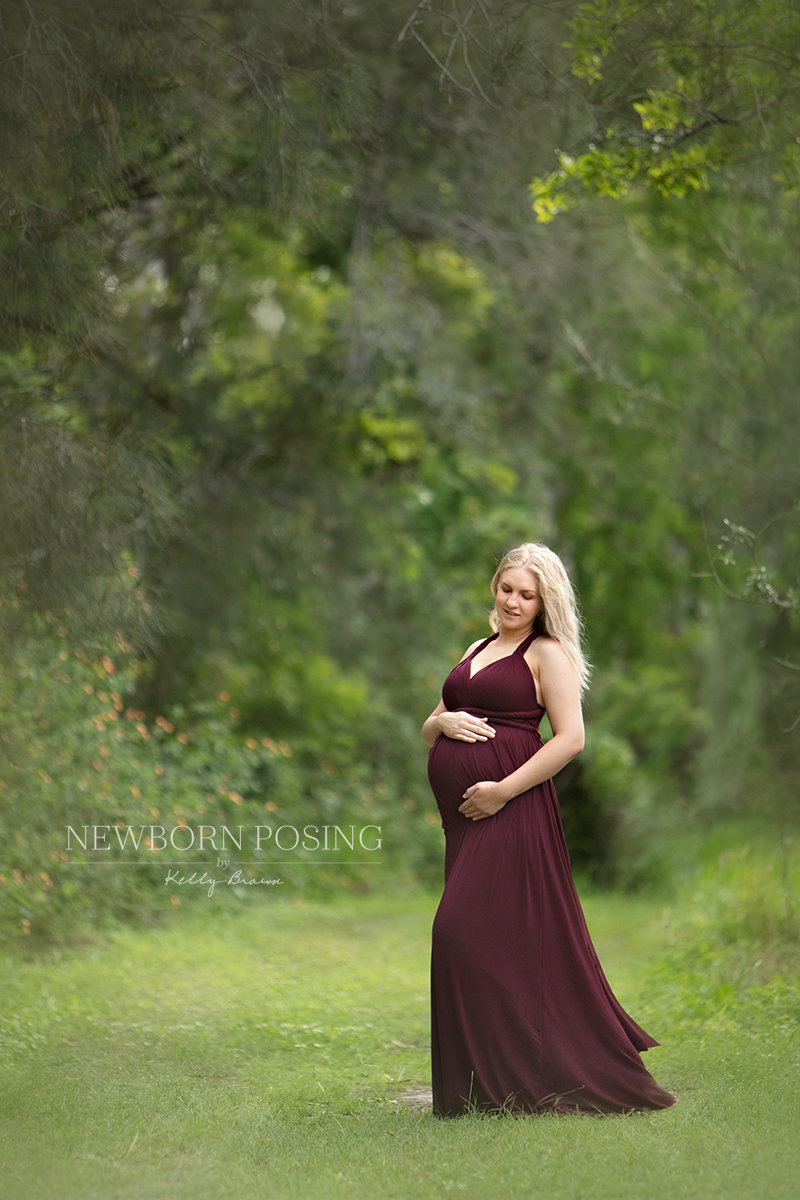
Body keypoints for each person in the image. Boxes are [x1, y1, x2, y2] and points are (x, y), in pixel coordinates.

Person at [422, 543, 675, 1117]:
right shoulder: (477, 649)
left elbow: (571, 738)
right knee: (489, 939)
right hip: (463, 819)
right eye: (507, 588)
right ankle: (483, 1090)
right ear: (495, 586)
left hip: (510, 808)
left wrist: (502, 790)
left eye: (526, 594)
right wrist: (442, 720)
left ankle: (528, 1074)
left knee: (457, 933)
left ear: (543, 602)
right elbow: (428, 728)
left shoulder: (547, 653)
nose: (513, 601)